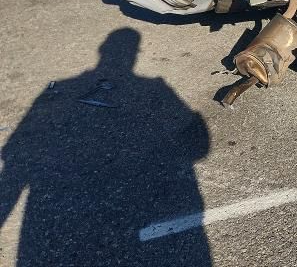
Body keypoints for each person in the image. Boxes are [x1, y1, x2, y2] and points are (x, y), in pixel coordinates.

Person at [0, 28, 211, 266]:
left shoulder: (63, 87)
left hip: (54, 220)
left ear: (102, 51)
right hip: (144, 206)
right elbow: (200, 145)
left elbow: (15, 158)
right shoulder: (156, 88)